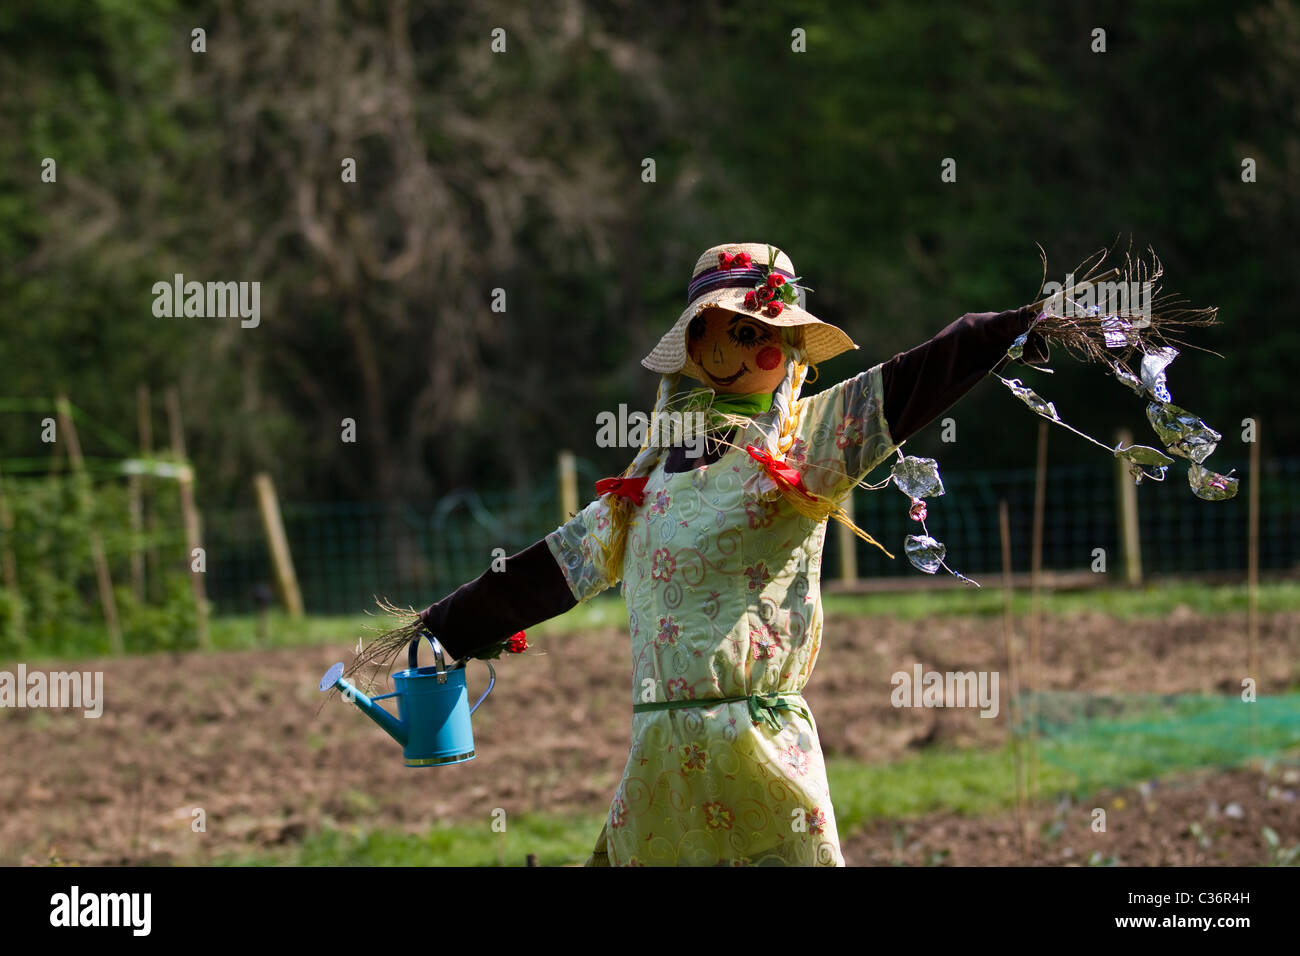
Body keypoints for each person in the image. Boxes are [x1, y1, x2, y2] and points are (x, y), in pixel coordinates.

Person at [417, 242, 1048, 866]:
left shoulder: (808, 448)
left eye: (750, 334)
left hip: (761, 752)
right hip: (661, 758)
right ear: (689, 351)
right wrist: (447, 626)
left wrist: (995, 332)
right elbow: (553, 570)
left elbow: (906, 386)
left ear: (790, 349)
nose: (725, 352)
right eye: (709, 334)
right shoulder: (645, 483)